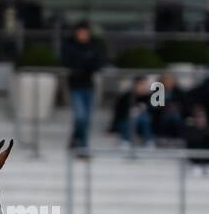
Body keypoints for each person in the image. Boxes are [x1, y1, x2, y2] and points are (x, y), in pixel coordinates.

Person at [60, 21, 105, 151]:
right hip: (75, 86)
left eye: (84, 32)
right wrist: (84, 64)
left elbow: (98, 63)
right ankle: (80, 143)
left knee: (87, 119)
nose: (82, 35)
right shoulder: (70, 46)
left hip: (89, 86)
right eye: (80, 32)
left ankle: (80, 143)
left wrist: (85, 65)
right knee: (80, 116)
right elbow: (69, 63)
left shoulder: (93, 46)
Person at [112, 75, 154, 147]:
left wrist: (144, 108)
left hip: (143, 121)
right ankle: (126, 140)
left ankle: (148, 140)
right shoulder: (127, 96)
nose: (143, 87)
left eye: (145, 84)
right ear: (135, 84)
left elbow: (155, 111)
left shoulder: (149, 96)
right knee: (133, 117)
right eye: (141, 84)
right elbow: (119, 112)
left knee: (145, 118)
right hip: (126, 120)